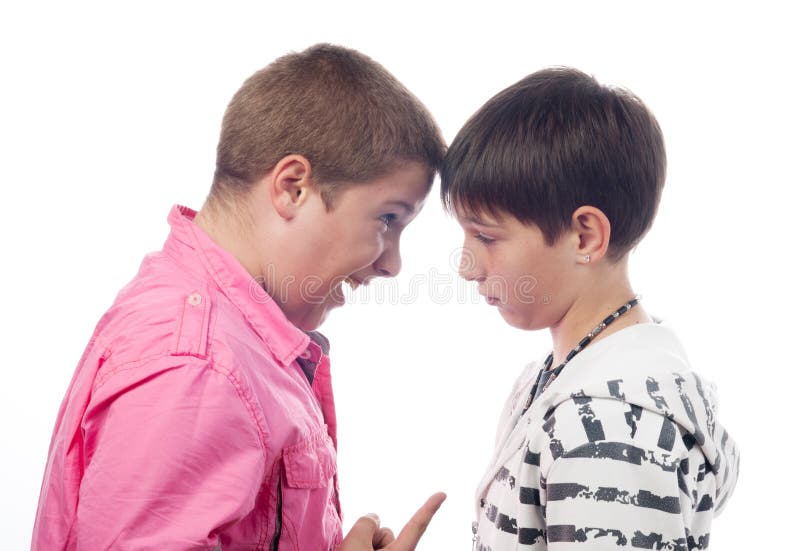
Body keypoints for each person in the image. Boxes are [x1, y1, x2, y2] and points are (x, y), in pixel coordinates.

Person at [32, 44, 446, 550]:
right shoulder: (196, 366)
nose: (392, 264)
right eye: (387, 219)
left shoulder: (225, 338)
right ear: (293, 188)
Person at [441, 67, 739, 549]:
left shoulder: (607, 431)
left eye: (486, 236)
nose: (466, 267)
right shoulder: (560, 380)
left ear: (585, 237)